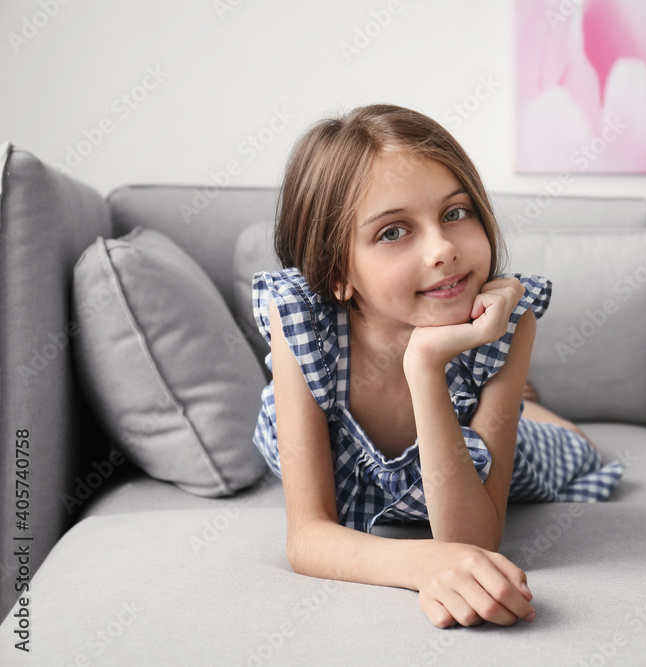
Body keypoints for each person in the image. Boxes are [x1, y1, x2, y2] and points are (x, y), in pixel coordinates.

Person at [251, 103, 624, 629]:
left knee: (577, 447)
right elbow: (308, 536)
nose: (443, 249)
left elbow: (473, 541)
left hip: (482, 457)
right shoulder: (301, 319)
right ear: (337, 274)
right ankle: (522, 403)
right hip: (346, 447)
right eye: (392, 232)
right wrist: (423, 563)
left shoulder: (507, 322)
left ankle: (526, 410)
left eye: (454, 213)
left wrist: (425, 366)